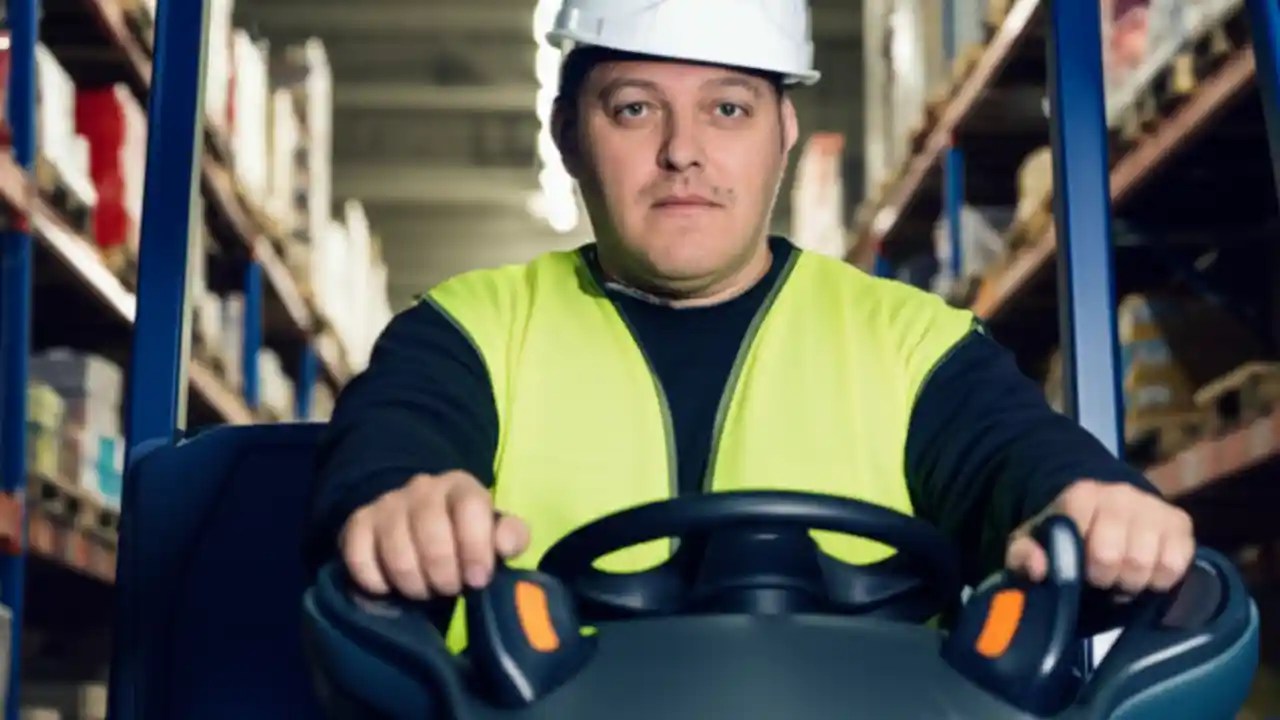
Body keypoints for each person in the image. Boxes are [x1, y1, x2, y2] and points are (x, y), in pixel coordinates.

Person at [305, 0, 1195, 646]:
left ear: (783, 133)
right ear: (569, 135)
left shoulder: (911, 342)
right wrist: (401, 507)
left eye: (727, 109)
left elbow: (1016, 456)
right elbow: (394, 445)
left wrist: (1090, 504)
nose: (682, 151)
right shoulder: (469, 331)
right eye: (634, 108)